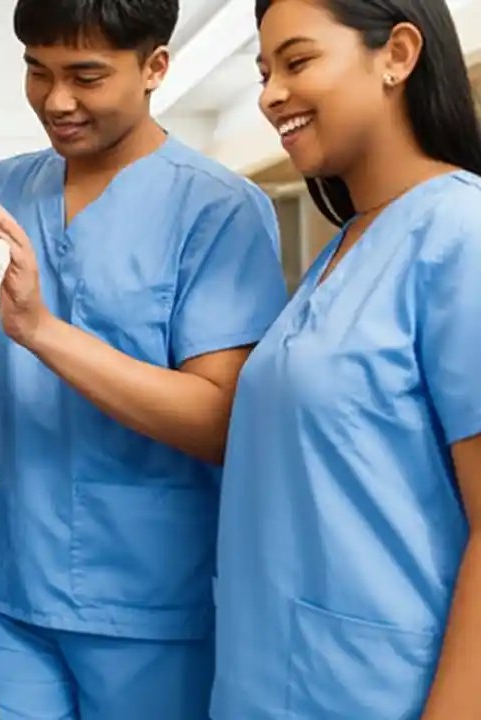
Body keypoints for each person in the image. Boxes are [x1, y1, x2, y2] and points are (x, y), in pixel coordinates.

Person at [0, 0, 290, 717]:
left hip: (152, 608)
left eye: (87, 75)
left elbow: (220, 421)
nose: (57, 100)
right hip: (7, 589)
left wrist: (41, 329)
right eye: (36, 72)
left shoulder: (218, 208)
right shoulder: (12, 185)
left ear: (155, 67)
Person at [213, 1, 481, 718]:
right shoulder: (346, 247)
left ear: (396, 54)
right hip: (266, 682)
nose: (270, 94)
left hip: (378, 692)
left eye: (297, 62)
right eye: (265, 71)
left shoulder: (462, 233)